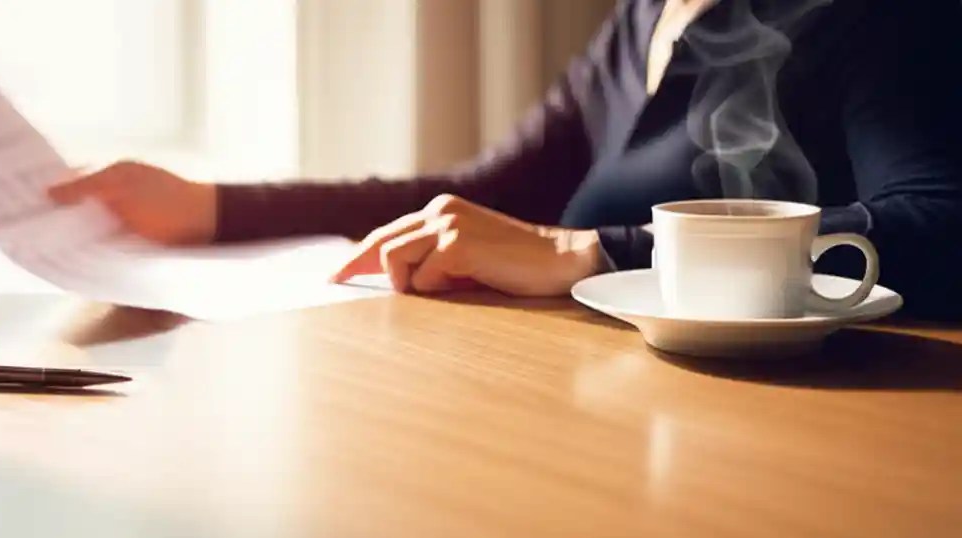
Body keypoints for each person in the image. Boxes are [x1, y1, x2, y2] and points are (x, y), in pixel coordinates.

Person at [49, 0, 962, 318]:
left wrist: (589, 252)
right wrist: (211, 207)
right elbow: (488, 196)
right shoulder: (648, 15)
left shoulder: (875, 18)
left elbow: (940, 223)